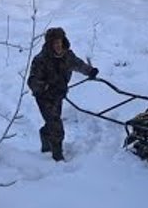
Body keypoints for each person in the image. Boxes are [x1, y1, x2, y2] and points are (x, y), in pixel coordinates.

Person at [27, 27, 99, 161]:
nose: (58, 45)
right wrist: (47, 87)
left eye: (59, 42)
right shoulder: (41, 60)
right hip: (44, 97)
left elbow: (78, 64)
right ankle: (57, 158)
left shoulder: (67, 55)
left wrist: (90, 71)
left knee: (52, 122)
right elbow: (32, 82)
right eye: (55, 43)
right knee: (56, 126)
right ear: (49, 44)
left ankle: (45, 136)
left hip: (58, 95)